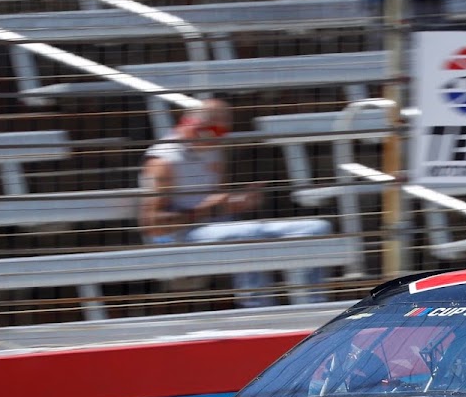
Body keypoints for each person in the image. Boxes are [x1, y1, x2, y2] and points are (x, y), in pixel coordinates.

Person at [138, 99, 333, 308]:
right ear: (192, 125)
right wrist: (205, 210)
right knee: (246, 234)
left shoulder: (211, 149)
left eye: (223, 132)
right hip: (182, 236)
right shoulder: (163, 162)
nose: (219, 139)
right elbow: (152, 226)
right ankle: (259, 309)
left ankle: (310, 305)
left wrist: (237, 202)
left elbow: (218, 202)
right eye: (214, 132)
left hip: (218, 226)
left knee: (316, 228)